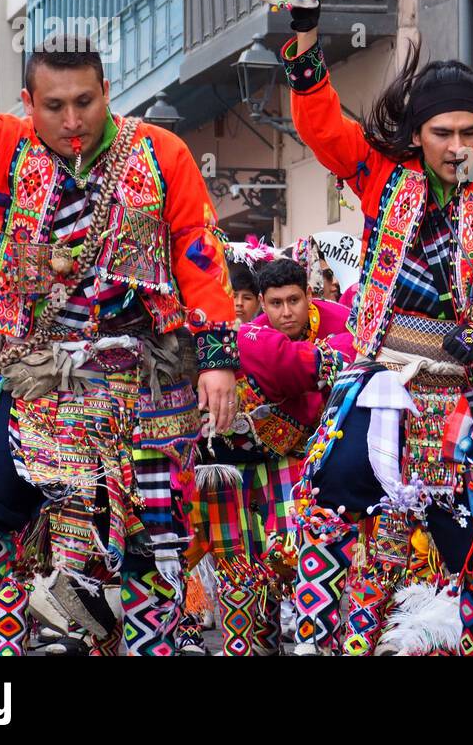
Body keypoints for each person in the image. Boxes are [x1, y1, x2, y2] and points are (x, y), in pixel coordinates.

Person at [0, 0, 239, 656]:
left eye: (85, 101)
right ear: (28, 102)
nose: (72, 120)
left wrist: (218, 358)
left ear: (107, 91)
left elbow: (198, 251)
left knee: (154, 545)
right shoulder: (4, 145)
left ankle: (137, 644)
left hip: (149, 383)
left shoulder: (160, 152)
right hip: (39, 381)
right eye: (53, 105)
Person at [282, 4, 473, 657]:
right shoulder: (383, 178)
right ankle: (319, 647)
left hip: (469, 404)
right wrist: (304, 30)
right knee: (325, 522)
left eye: (470, 131)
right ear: (416, 134)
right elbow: (320, 121)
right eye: (443, 132)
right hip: (381, 387)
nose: (458, 146)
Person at [187, 258, 346, 656]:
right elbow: (286, 365)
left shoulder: (339, 319)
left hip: (307, 465)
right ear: (263, 302)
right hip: (239, 470)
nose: (286, 311)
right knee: (241, 569)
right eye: (275, 303)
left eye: (294, 300)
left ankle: (316, 645)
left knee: (306, 560)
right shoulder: (252, 338)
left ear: (309, 296)